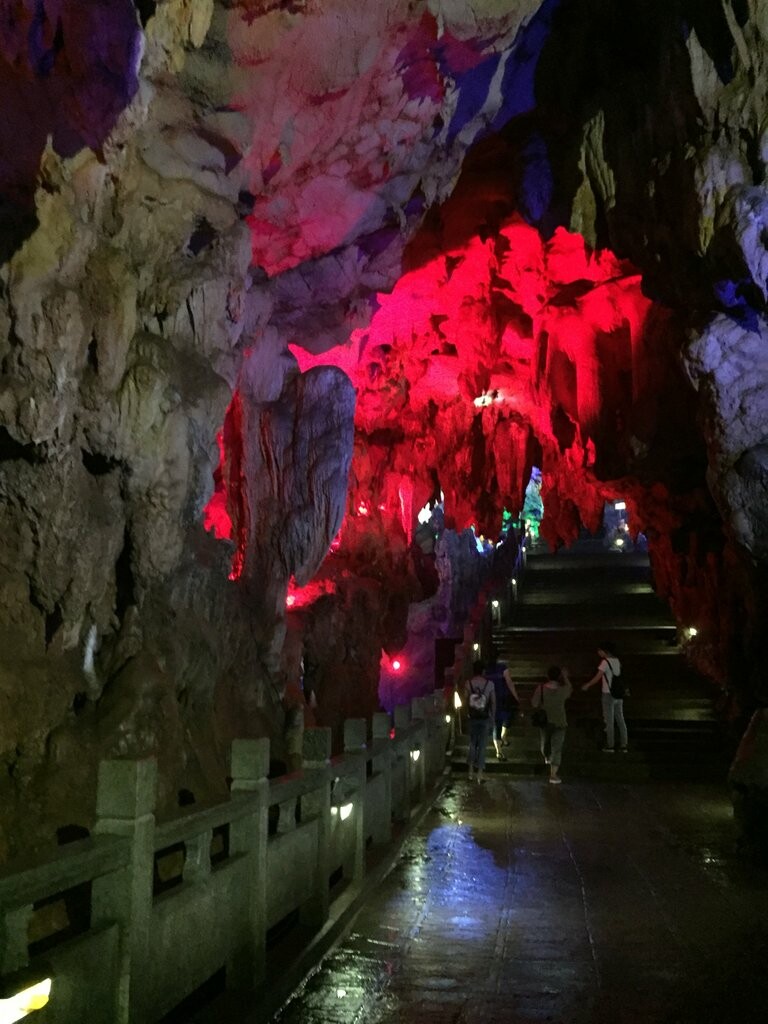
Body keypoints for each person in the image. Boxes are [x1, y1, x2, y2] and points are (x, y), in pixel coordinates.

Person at [582, 642, 627, 752]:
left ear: (605, 651)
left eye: (599, 650)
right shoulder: (617, 661)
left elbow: (598, 677)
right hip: (618, 694)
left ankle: (610, 745)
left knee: (609, 721)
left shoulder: (604, 662)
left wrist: (587, 685)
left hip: (608, 694)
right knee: (620, 719)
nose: (598, 652)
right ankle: (624, 745)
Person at [531, 665, 572, 784]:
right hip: (560, 721)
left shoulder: (541, 688)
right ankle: (553, 774)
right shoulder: (563, 689)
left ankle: (547, 758)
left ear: (547, 676)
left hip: (546, 721)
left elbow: (534, 703)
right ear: (559, 676)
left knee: (545, 744)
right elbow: (570, 688)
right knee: (557, 747)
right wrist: (566, 677)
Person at [464, 660, 496, 783]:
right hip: (484, 718)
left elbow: (465, 700)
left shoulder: (468, 683)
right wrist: (493, 717)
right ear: (483, 671)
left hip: (472, 717)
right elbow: (493, 702)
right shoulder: (490, 684)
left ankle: (470, 772)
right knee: (482, 746)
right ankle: (479, 774)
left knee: (472, 743)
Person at [485, 660, 521, 760]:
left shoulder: (487, 670)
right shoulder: (502, 667)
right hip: (502, 698)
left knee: (499, 722)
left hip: (494, 699)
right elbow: (509, 682)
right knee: (504, 720)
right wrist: (516, 697)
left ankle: (500, 747)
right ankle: (499, 749)